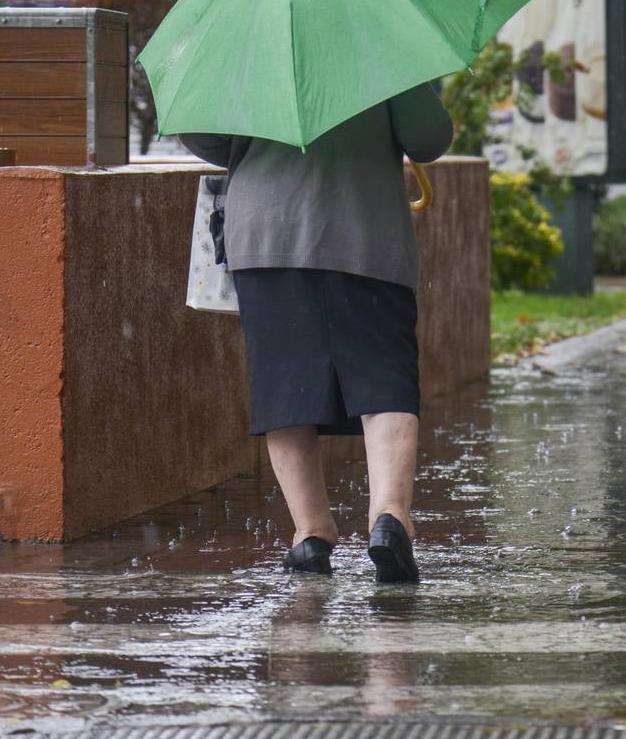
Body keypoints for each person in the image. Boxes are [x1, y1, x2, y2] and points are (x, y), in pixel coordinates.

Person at [180, 83, 453, 579]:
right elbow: (428, 138)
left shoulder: (248, 47)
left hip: (266, 233)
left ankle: (310, 534)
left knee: (285, 385)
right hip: (365, 232)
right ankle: (389, 517)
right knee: (384, 378)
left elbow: (204, 135)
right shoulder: (379, 44)